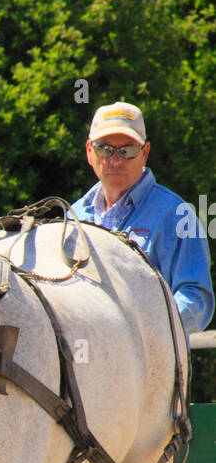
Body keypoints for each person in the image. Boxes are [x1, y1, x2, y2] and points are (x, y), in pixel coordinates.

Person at [70, 102, 214, 338]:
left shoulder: (178, 215)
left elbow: (197, 300)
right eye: (105, 149)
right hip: (85, 366)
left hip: (150, 369)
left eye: (127, 150)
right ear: (89, 152)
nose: (115, 160)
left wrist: (139, 330)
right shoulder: (73, 217)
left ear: (145, 153)